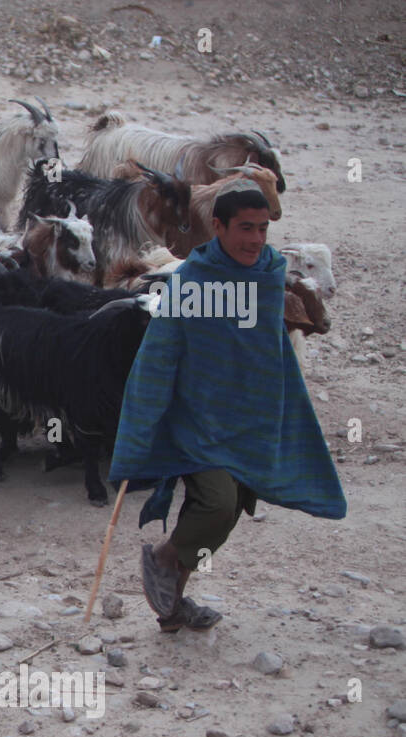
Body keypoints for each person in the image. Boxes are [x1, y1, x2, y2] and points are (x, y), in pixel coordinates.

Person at [107, 180, 346, 631]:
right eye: (244, 228)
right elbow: (158, 358)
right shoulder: (192, 283)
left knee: (229, 510)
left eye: (262, 229)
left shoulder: (269, 275)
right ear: (217, 227)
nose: (255, 239)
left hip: (246, 419)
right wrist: (139, 426)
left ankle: (173, 607)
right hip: (196, 421)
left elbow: (270, 352)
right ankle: (161, 557)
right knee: (215, 503)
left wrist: (280, 412)